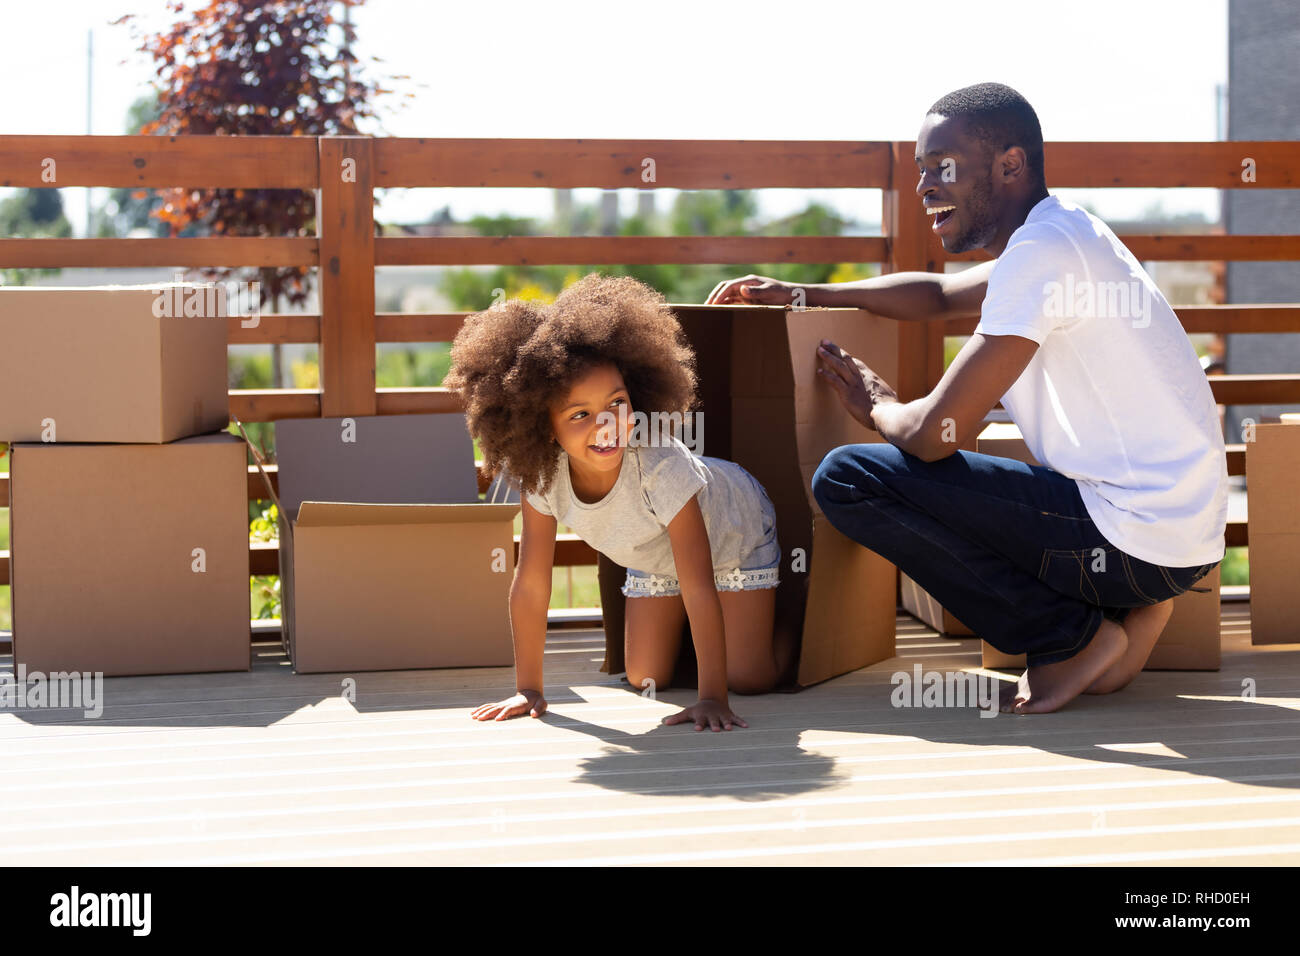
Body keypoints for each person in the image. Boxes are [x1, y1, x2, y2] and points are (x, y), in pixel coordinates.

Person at [706, 82, 1227, 714]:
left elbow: (933, 435)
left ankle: (1067, 637)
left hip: (1130, 535)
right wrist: (802, 293)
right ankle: (1126, 618)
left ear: (1011, 164)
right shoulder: (1067, 232)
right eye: (921, 172)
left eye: (942, 168)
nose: (925, 187)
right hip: (1188, 544)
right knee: (982, 490)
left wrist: (877, 404)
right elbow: (936, 295)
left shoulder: (1041, 252)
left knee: (847, 476)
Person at [444, 274, 795, 732]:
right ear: (545, 427)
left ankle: (789, 628)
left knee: (748, 678)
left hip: (733, 532)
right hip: (654, 553)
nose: (605, 425)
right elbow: (531, 584)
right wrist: (529, 688)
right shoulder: (543, 477)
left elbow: (698, 580)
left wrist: (712, 698)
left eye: (617, 402)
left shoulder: (658, 463)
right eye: (580, 414)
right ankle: (716, 641)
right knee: (645, 676)